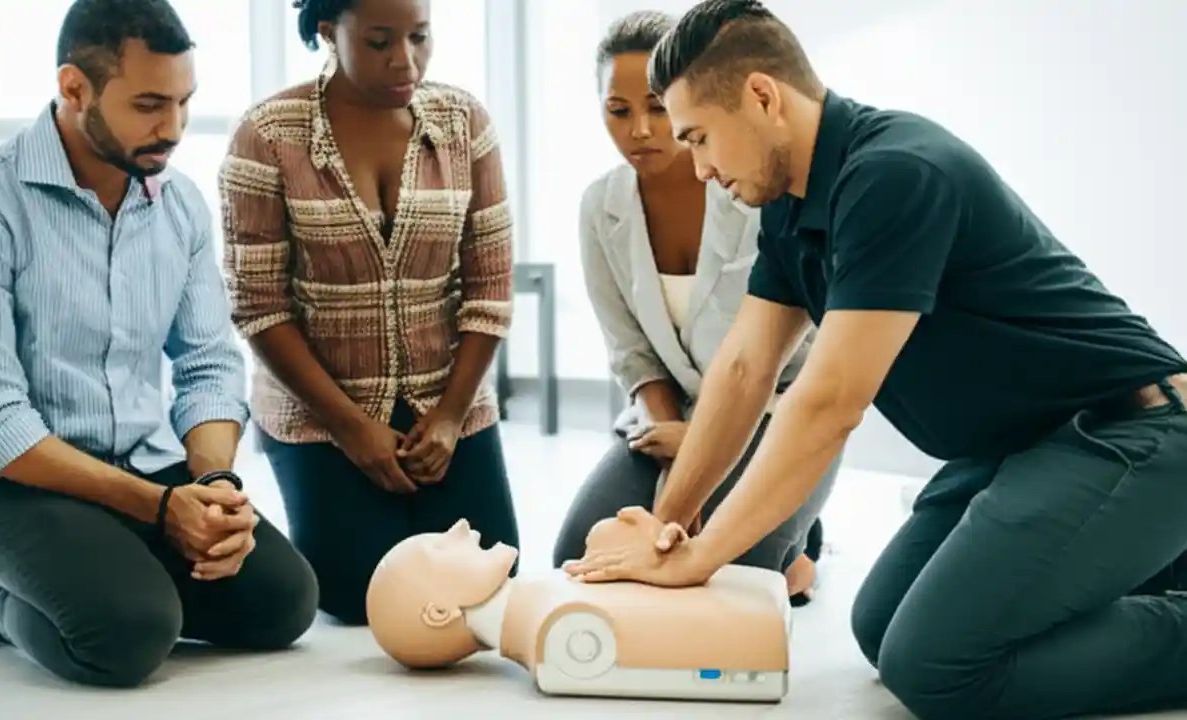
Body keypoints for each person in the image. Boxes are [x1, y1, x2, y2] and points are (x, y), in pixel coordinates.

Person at [562, 2, 1187, 719]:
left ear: (762, 97)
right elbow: (744, 370)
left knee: (938, 667)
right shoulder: (790, 203)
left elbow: (828, 403)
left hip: (1133, 436)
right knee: (882, 628)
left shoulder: (895, 174)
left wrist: (699, 560)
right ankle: (1145, 557)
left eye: (701, 138)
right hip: (1029, 450)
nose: (698, 168)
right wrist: (668, 526)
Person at [0, 0, 319, 688]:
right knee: (128, 634)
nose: (174, 128)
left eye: (185, 102)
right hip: (1, 482)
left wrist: (213, 489)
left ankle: (105, 568)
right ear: (74, 89)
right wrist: (161, 510)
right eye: (149, 104)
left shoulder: (181, 204)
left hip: (143, 469)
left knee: (283, 603)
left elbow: (207, 366)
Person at [219, 0, 518, 626]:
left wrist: (449, 417)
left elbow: (489, 288)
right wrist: (353, 429)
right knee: (359, 596)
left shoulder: (464, 124)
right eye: (380, 40)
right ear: (329, 32)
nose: (404, 60)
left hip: (448, 402)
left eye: (419, 37)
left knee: (491, 579)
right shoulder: (270, 135)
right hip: (320, 411)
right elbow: (259, 305)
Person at [551, 10, 837, 605]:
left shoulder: (754, 187)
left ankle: (799, 549)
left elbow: (797, 354)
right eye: (618, 111)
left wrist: (706, 441)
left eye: (658, 107)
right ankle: (785, 535)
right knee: (581, 555)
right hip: (671, 414)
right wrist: (671, 428)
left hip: (771, 411)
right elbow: (630, 350)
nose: (641, 130)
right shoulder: (599, 208)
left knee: (732, 575)